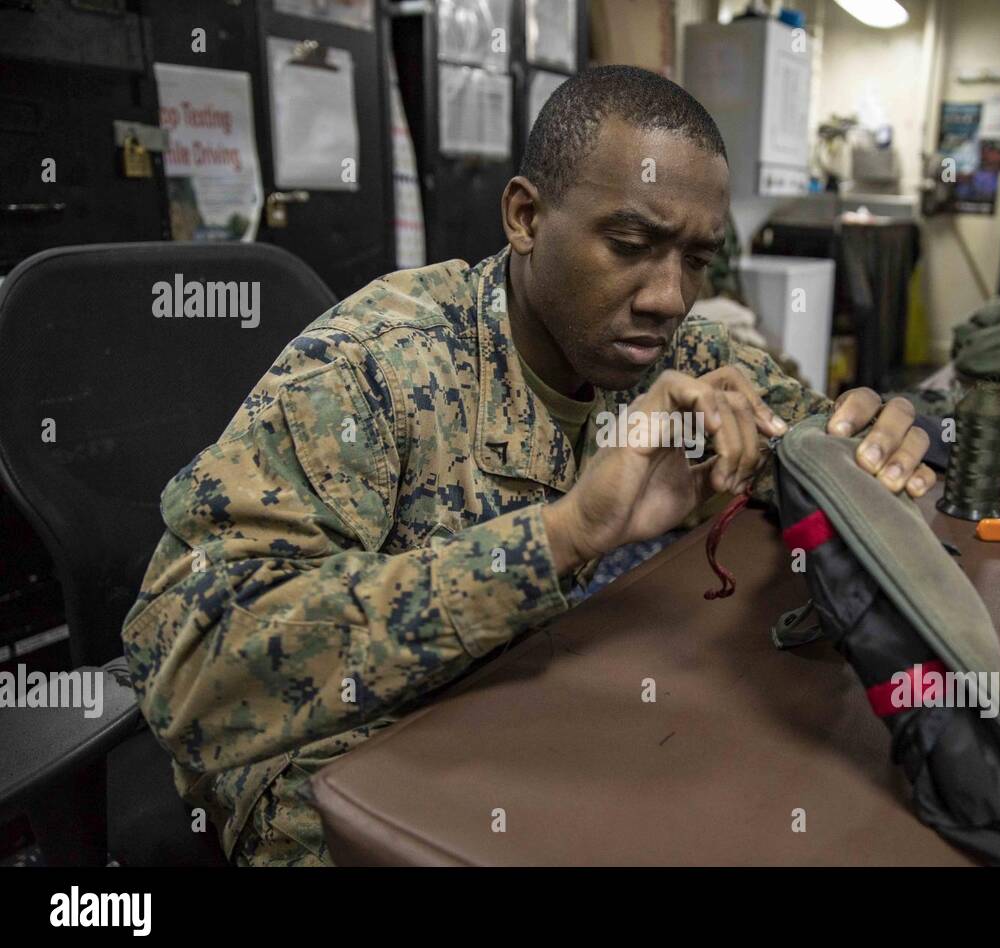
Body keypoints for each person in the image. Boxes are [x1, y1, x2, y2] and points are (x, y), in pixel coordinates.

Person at [122, 65, 936, 865]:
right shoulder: (374, 367)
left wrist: (868, 443)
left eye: (697, 259)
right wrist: (558, 537)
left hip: (533, 705)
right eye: (630, 244)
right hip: (342, 762)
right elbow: (187, 674)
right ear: (525, 217)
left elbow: (801, 439)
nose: (668, 295)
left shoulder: (673, 350)